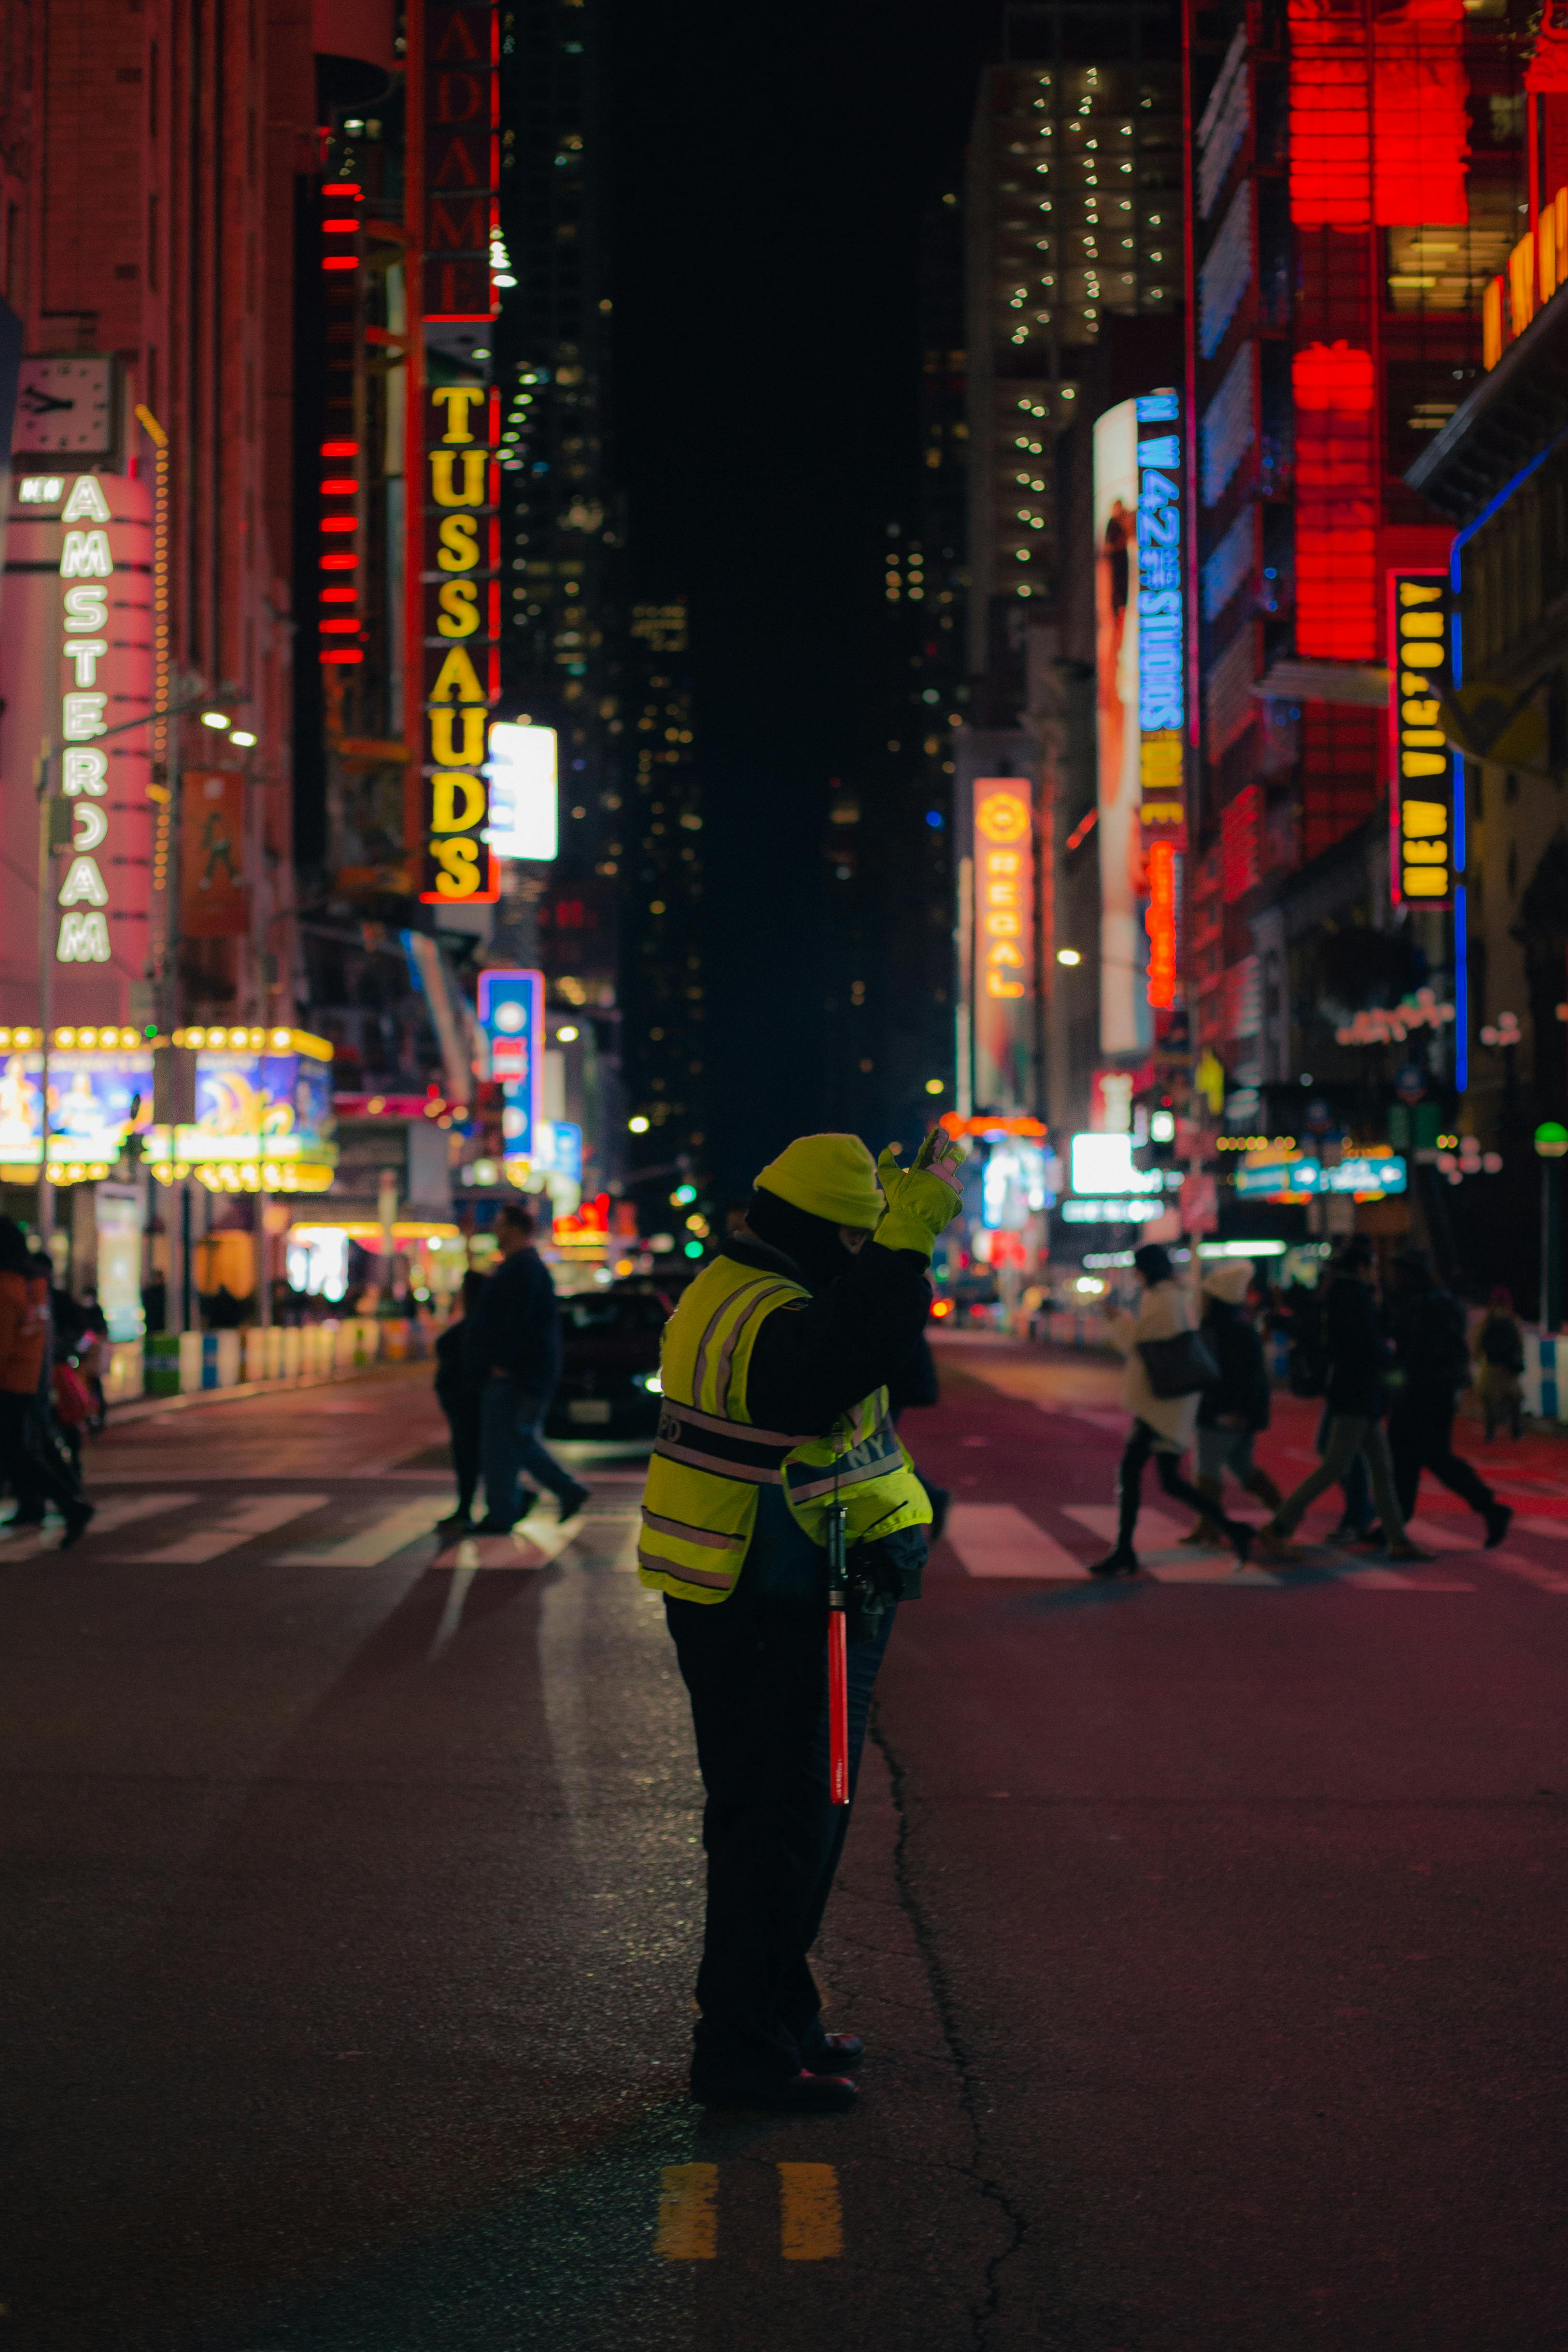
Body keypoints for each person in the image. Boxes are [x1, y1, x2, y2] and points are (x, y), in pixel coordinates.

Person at [639, 1128, 964, 2113]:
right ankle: (740, 2048)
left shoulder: (735, 1284)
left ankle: (779, 2014)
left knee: (769, 1819)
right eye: (857, 1238)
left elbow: (889, 1367)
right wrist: (905, 1243)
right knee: (784, 1825)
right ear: (833, 1234)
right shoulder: (773, 1309)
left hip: (754, 1587)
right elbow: (845, 1360)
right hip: (778, 1591)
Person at [1258, 1237, 1429, 1562]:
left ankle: (1398, 1539)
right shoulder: (1354, 1297)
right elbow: (1366, 1346)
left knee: (1380, 1468)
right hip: (1356, 1394)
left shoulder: (1338, 1295)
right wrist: (1387, 1351)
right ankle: (1279, 1525)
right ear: (1363, 1267)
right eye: (1373, 1268)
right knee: (1336, 1466)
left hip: (1354, 1393)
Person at [1090, 1243, 1254, 1577]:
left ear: (1146, 1270)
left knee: (1132, 1470)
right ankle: (1233, 1529)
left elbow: (1140, 1341)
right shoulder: (1173, 1296)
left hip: (1160, 1403)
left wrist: (1116, 1320)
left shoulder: (1164, 1299)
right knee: (1167, 1479)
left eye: (1137, 1269)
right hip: (1167, 1402)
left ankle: (1124, 1550)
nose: (1135, 1276)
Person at [466, 1201, 588, 1532]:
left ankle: (510, 1508)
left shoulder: (523, 1269)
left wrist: (504, 1364)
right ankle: (515, 1504)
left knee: (504, 1442)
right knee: (512, 1440)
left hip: (514, 1374)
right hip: (519, 1372)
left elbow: (517, 1323)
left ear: (517, 1229)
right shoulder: (521, 1267)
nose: (495, 1230)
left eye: (501, 1224)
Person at [1385, 1251, 1511, 1548]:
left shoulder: (1426, 1306)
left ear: (1413, 1275)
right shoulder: (1434, 1303)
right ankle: (1397, 1522)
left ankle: (1489, 1507)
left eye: (1400, 1274)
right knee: (1409, 1457)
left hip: (1428, 1392)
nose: (1396, 1280)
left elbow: (1409, 1354)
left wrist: (1396, 1386)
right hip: (1431, 1391)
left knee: (1426, 1456)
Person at [0, 1221, 91, 1547]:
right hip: (25, 1379)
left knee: (19, 1453)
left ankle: (70, 1504)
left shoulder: (7, 1287)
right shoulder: (32, 1286)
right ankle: (61, 1503)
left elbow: (3, 1343)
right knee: (19, 1451)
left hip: (9, 1381)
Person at [1180, 1258, 1283, 1545]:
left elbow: (1226, 1378)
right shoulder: (1243, 1330)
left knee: (1207, 1472)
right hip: (1242, 1414)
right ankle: (1285, 1514)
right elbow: (1254, 1379)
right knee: (1244, 1469)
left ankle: (1209, 1526)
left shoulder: (1216, 1332)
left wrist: (1227, 1411)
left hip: (1221, 1414)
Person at [433, 1269, 489, 1532]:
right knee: (474, 1454)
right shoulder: (476, 1323)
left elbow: (447, 1345)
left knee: (470, 1454)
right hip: (462, 1397)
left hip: (466, 1397)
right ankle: (469, 1507)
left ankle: (468, 1508)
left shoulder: (476, 1325)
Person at [1474, 1286, 1526, 1440]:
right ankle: (1516, 1430)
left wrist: (1477, 1358)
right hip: (1508, 1368)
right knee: (1515, 1400)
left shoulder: (1486, 1322)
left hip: (1490, 1367)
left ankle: (1490, 1432)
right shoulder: (1513, 1321)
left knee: (1489, 1401)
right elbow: (1519, 1344)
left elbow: (1478, 1344)